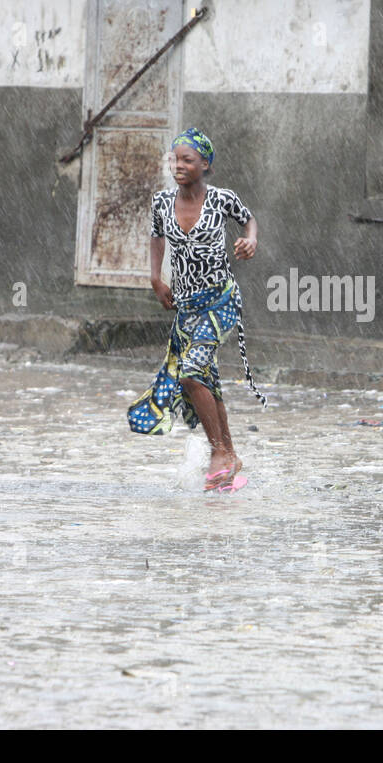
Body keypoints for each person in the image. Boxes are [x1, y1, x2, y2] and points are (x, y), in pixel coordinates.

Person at [126, 128, 267, 491]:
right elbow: (157, 238)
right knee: (207, 381)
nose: (179, 166)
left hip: (220, 301)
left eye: (188, 160)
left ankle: (218, 453)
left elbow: (249, 219)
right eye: (175, 159)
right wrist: (156, 278)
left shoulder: (222, 199)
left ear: (205, 164)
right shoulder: (161, 203)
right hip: (187, 310)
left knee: (190, 373)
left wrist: (250, 240)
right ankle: (230, 457)